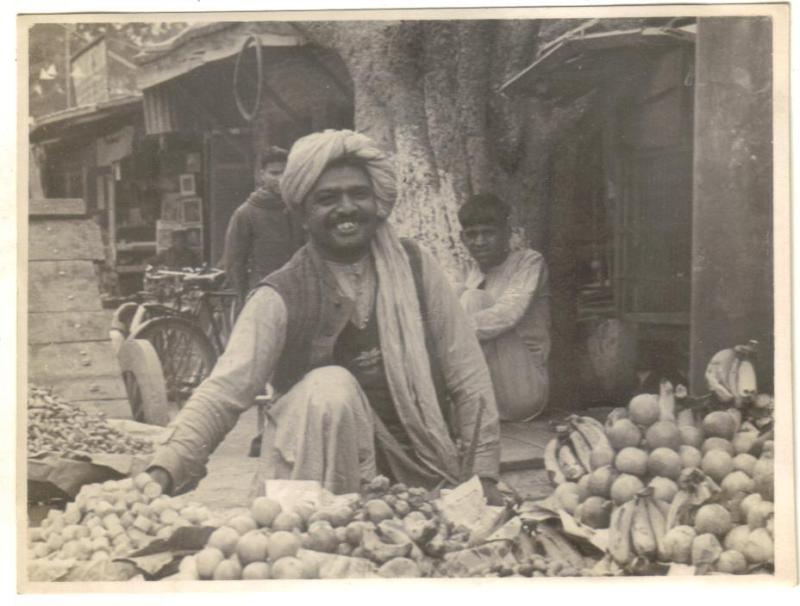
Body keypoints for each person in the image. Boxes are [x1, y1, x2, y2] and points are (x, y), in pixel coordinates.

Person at [146, 130, 502, 504]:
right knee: (330, 387)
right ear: (302, 212)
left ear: (376, 202)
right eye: (327, 198)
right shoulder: (280, 294)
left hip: (421, 472)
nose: (347, 209)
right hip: (315, 484)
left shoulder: (415, 266)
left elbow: (468, 371)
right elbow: (223, 391)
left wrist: (485, 473)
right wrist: (162, 472)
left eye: (358, 194)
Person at [457, 193, 551, 422]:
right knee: (456, 297)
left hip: (522, 388)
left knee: (472, 300)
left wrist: (448, 331)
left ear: (507, 233)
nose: (479, 242)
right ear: (462, 238)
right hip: (488, 392)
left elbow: (507, 314)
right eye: (472, 235)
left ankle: (464, 409)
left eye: (488, 233)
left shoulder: (528, 262)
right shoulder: (467, 271)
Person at [221, 146, 303, 311]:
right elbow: (235, 262)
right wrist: (243, 297)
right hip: (264, 292)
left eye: (284, 173)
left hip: (301, 292)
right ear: (262, 175)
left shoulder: (299, 208)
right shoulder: (246, 213)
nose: (280, 178)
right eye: (274, 173)